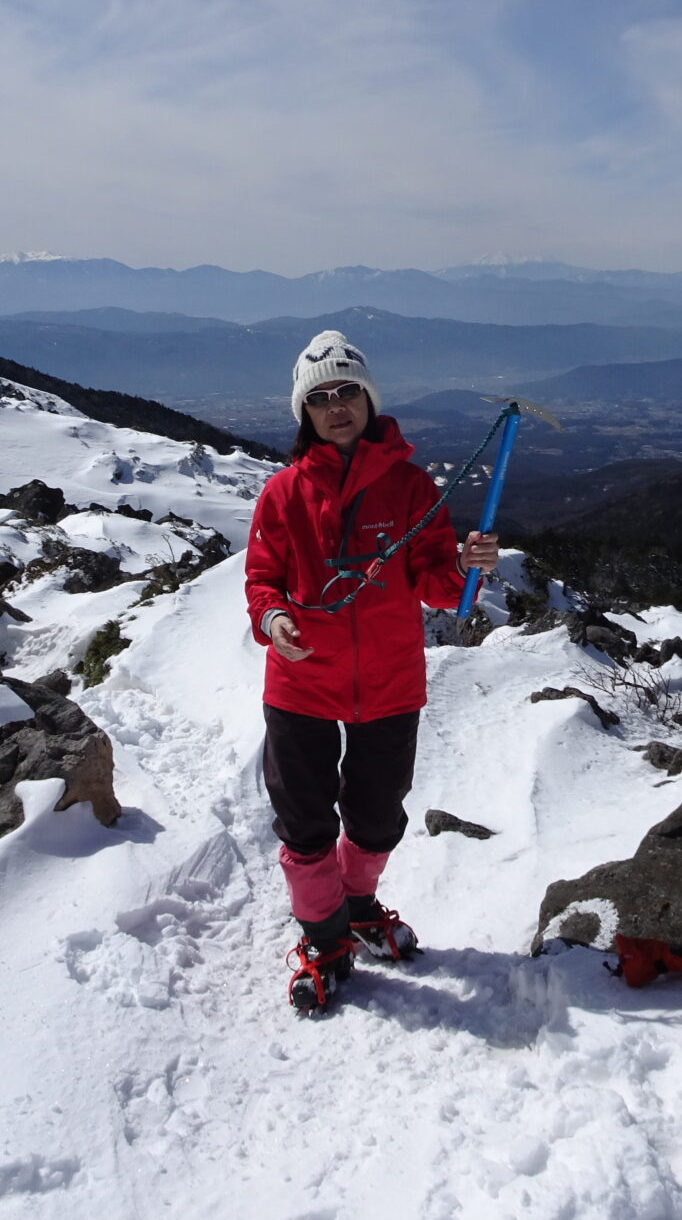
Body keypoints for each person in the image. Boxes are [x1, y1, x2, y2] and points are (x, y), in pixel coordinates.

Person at [245, 329, 501, 1013]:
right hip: (301, 682)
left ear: (368, 399)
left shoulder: (410, 487)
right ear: (305, 411)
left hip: (387, 681)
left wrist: (466, 570)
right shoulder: (282, 495)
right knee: (304, 821)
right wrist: (273, 622)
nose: (336, 406)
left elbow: (436, 584)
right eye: (321, 397)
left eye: (347, 391)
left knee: (378, 815)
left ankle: (358, 905)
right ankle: (324, 937)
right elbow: (262, 580)